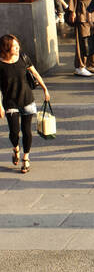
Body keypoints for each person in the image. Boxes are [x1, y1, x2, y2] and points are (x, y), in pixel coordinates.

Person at [0, 33, 50, 175]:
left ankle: (26, 158)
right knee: (14, 132)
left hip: (27, 99)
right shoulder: (1, 64)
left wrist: (45, 89)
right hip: (10, 102)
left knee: (27, 131)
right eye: (14, 46)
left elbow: (35, 74)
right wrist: (0, 106)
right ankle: (16, 148)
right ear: (5, 48)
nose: (17, 48)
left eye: (17, 45)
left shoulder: (23, 57)